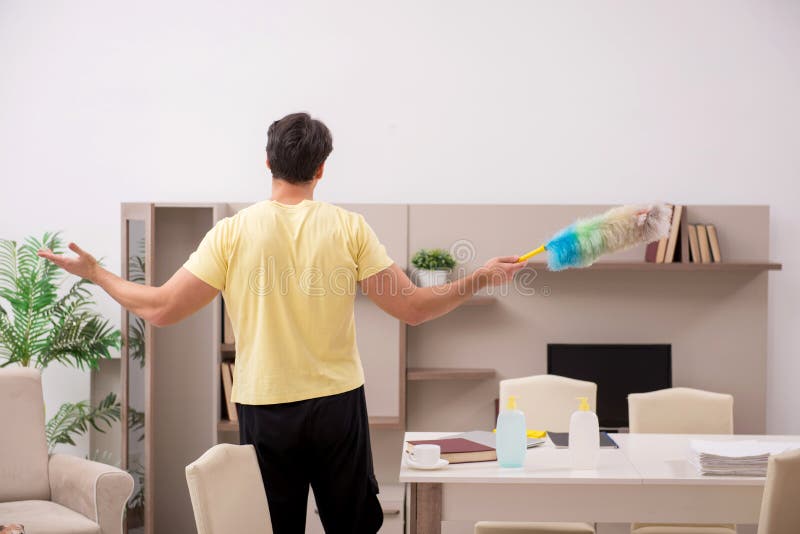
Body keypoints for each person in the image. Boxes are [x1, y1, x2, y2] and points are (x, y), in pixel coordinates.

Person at [39, 112, 527, 533]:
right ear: (321, 169)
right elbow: (414, 308)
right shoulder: (348, 227)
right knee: (352, 524)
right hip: (337, 404)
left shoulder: (231, 232)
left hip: (265, 407)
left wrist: (99, 273)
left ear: (268, 163)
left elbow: (163, 308)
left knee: (276, 525)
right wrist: (479, 278)